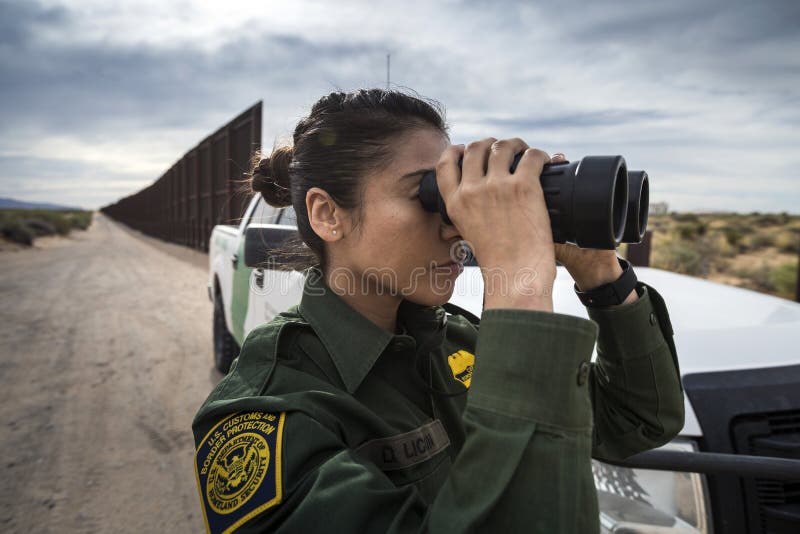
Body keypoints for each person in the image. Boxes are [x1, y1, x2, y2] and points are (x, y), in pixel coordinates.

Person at [192, 89, 684, 533]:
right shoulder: (266, 414)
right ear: (328, 215)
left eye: (456, 197)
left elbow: (638, 419)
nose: (458, 226)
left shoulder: (457, 342)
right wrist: (520, 284)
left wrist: (599, 272)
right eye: (429, 196)